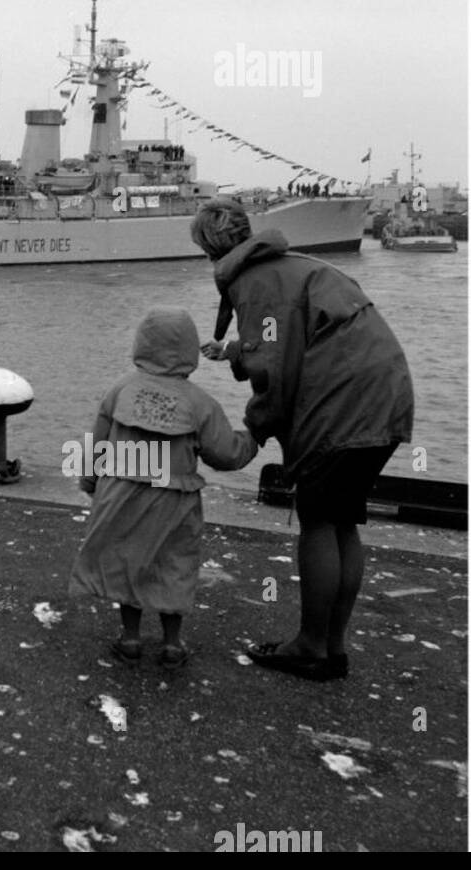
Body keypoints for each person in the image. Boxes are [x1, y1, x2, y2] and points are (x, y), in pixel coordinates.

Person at [191, 198, 414, 680]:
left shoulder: (253, 284)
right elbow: (295, 336)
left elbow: (277, 370)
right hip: (385, 393)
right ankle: (332, 647)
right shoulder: (291, 266)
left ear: (209, 247)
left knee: (316, 520)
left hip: (343, 405)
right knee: (341, 522)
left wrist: (253, 429)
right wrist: (234, 350)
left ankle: (311, 646)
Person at [70, 308, 257, 668]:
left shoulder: (120, 390)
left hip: (122, 493)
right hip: (175, 500)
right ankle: (172, 644)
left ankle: (130, 639)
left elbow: (97, 441)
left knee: (127, 561)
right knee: (175, 564)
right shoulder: (199, 402)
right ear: (188, 351)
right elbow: (225, 454)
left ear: (141, 345)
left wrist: (90, 479)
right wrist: (255, 436)